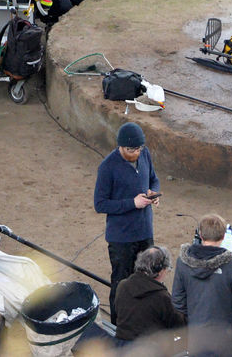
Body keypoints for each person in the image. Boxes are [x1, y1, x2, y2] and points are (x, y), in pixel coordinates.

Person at [94, 121, 160, 326]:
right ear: (120, 147)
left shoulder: (145, 155)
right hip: (121, 239)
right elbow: (100, 204)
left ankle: (143, 322)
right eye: (131, 150)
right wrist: (132, 203)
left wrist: (152, 192)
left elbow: (153, 179)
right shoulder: (107, 167)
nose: (136, 153)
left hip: (144, 232)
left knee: (148, 279)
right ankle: (118, 325)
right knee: (121, 284)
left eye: (138, 149)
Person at [172, 214, 232, 357]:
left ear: (201, 235)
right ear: (223, 237)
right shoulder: (231, 265)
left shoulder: (182, 263)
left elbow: (178, 302)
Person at [113, 246, 186, 350]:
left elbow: (117, 311)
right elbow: (179, 326)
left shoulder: (122, 285)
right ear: (160, 271)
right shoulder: (162, 297)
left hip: (121, 346)